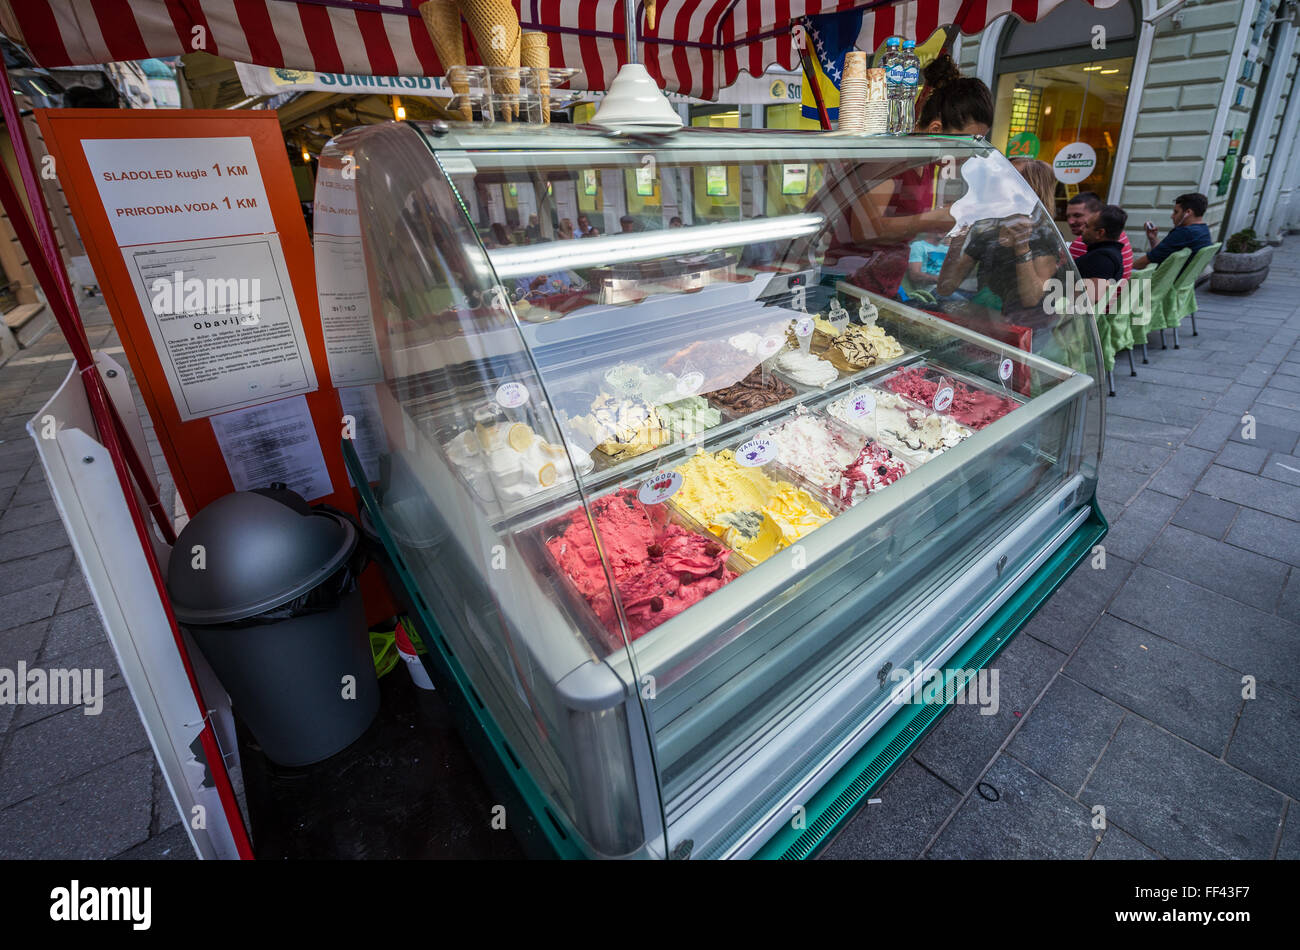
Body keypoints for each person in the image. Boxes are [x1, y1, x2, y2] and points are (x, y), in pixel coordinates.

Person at [1134, 192, 1211, 269]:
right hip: (1181, 276)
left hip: (1161, 276)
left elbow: (1149, 259)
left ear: (1188, 213)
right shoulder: (1204, 231)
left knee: (1133, 273)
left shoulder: (1184, 233)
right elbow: (1160, 254)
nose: (1172, 216)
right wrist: (1153, 238)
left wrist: (1128, 270)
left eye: (1176, 212)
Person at [1066, 192, 1132, 280]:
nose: (1070, 221)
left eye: (1077, 215)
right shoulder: (1118, 235)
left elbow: (1066, 276)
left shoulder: (1086, 245)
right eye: (1068, 216)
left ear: (1096, 214)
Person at [1075, 205, 1128, 308]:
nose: (1081, 229)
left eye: (1086, 226)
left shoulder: (1103, 259)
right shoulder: (1111, 253)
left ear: (1100, 233)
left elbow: (1092, 298)